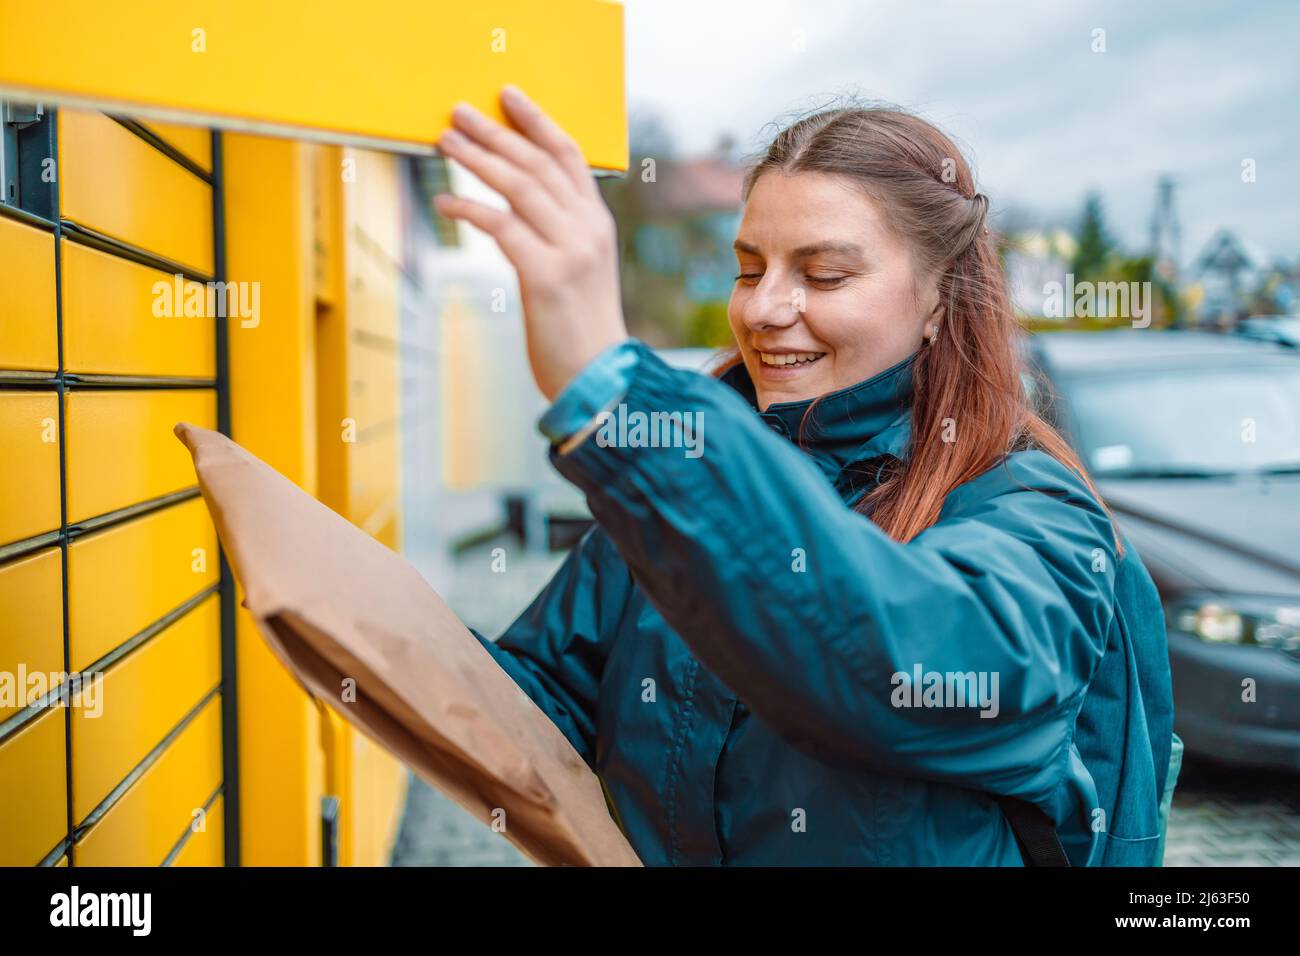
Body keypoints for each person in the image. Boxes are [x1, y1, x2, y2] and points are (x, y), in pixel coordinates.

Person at [431, 86, 1176, 866]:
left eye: (822, 276)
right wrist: (370, 633)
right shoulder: (675, 497)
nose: (763, 309)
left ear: (937, 300)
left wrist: (619, 399)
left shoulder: (1038, 518)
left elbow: (899, 676)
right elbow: (546, 696)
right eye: (749, 271)